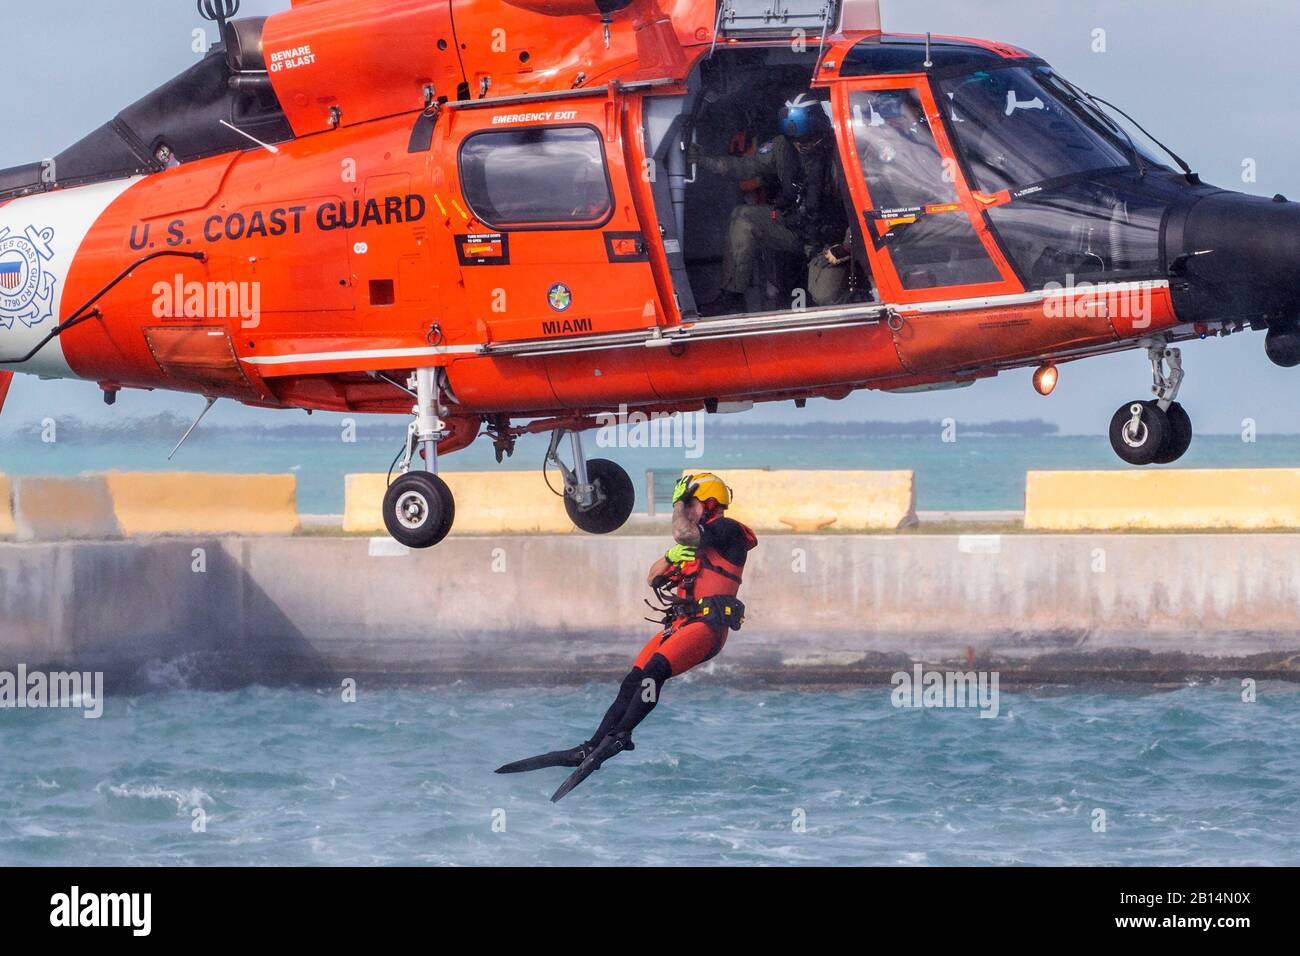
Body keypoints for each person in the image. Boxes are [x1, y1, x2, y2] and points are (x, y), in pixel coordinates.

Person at [496, 472, 758, 801]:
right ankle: (591, 746)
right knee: (632, 681)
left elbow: (682, 533)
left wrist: (677, 505)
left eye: (687, 504)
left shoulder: (726, 530)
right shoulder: (696, 543)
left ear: (707, 504)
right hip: (680, 624)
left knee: (654, 674)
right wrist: (668, 559)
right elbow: (652, 578)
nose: (682, 510)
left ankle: (620, 737)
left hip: (707, 627)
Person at [690, 95, 849, 315]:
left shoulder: (842, 155)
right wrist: (703, 160)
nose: (800, 145)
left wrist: (848, 246)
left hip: (831, 243)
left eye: (806, 139)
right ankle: (732, 297)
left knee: (825, 295)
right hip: (795, 228)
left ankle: (857, 294)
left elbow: (862, 209)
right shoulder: (782, 148)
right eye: (795, 140)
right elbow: (745, 167)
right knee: (744, 217)